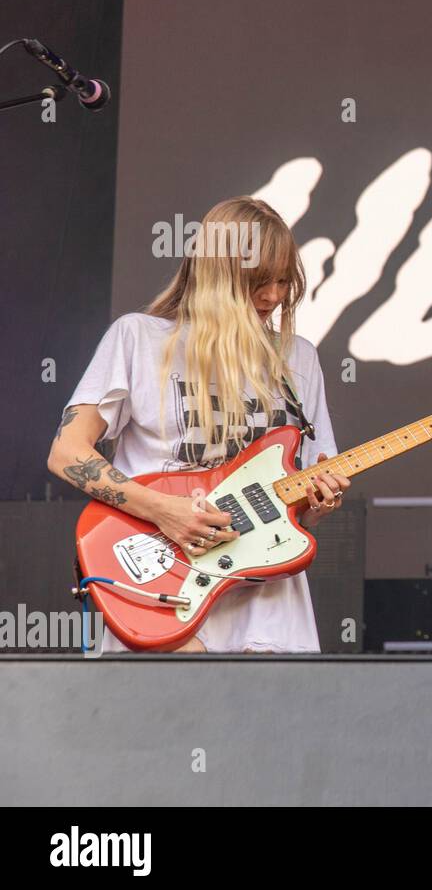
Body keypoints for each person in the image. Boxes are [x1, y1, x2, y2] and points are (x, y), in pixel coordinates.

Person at [48, 196, 351, 653]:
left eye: (284, 280)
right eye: (257, 282)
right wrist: (163, 511)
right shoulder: (139, 337)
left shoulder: (298, 358)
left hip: (266, 603)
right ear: (217, 275)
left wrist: (319, 504)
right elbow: (68, 453)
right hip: (160, 581)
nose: (273, 295)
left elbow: (304, 497)